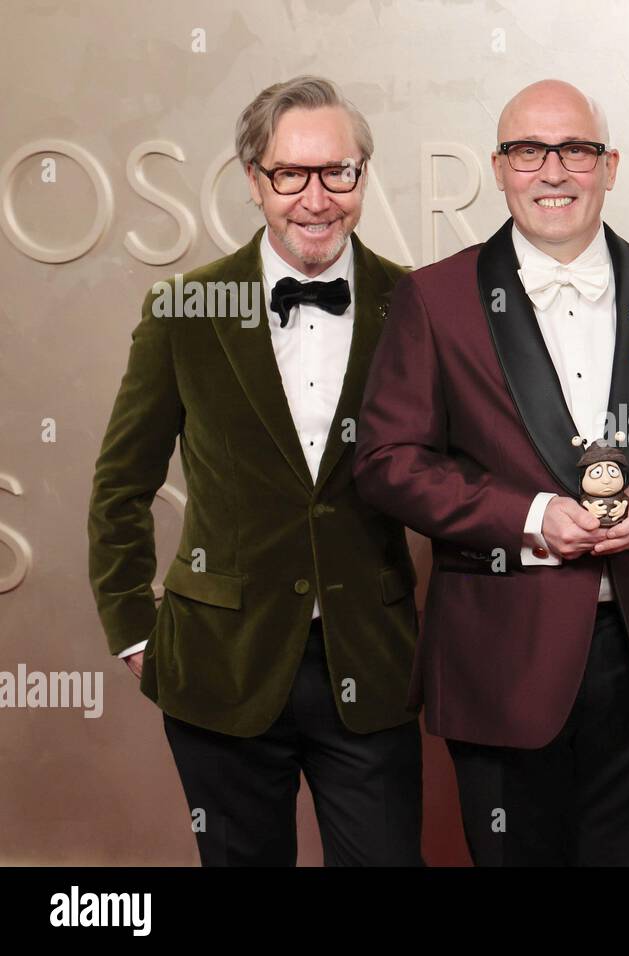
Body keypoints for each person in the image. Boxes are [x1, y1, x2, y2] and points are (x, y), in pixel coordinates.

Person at [352, 79, 629, 866]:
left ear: (610, 164)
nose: (551, 171)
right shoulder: (435, 297)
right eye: (528, 151)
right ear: (499, 168)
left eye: (575, 150)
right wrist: (525, 517)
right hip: (500, 661)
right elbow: (388, 461)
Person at [87, 76, 423, 866]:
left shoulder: (415, 307)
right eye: (290, 175)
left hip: (369, 664)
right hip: (219, 668)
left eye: (338, 172)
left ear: (363, 175)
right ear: (253, 181)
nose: (316, 198)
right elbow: (120, 486)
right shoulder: (183, 309)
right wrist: (135, 631)